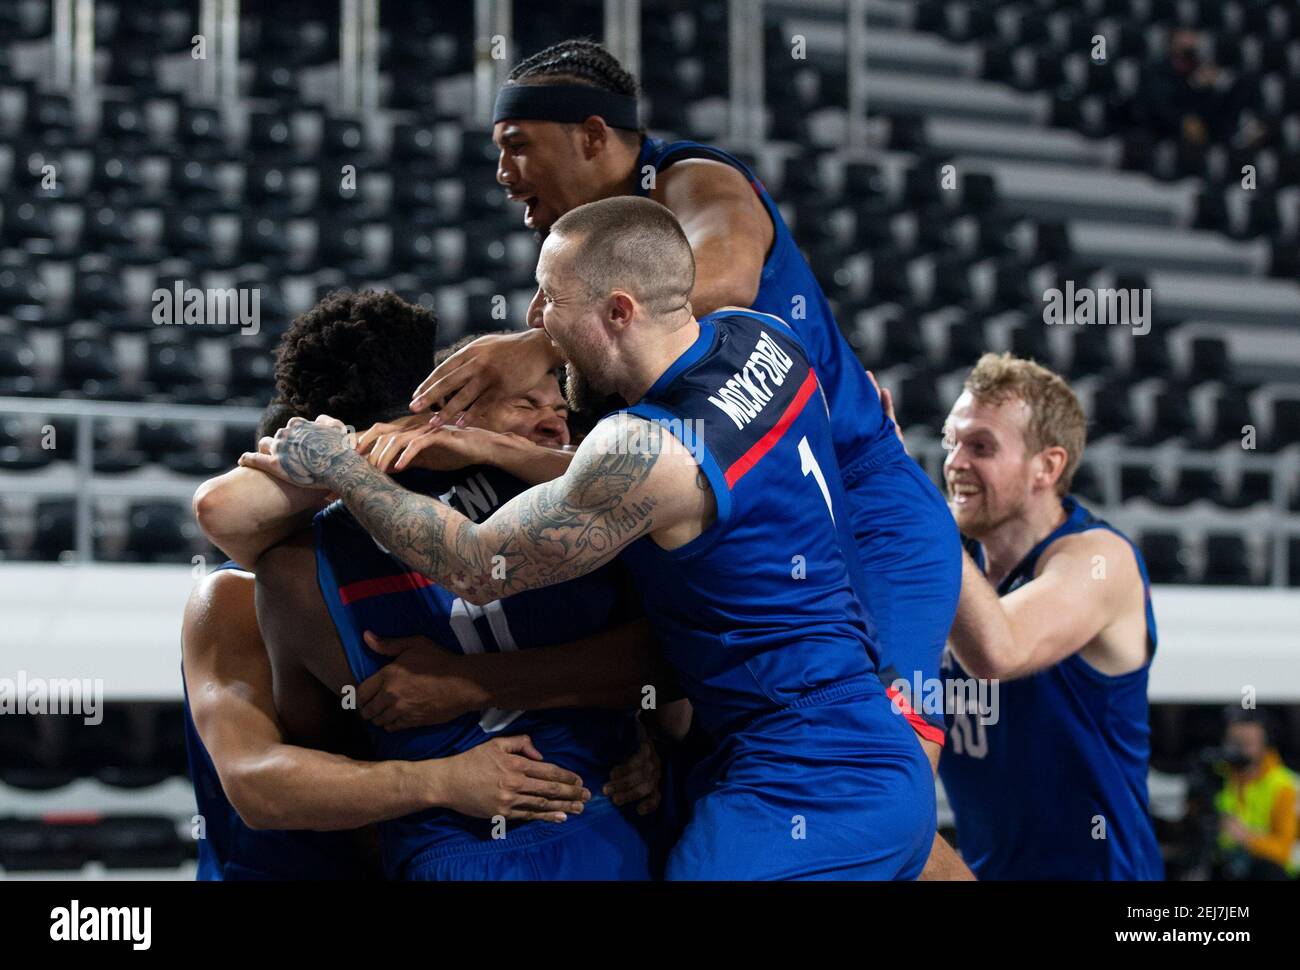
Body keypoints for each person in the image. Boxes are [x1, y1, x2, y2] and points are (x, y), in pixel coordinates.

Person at [243, 196, 937, 880]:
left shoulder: (644, 450)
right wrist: (492, 447)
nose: (534, 320)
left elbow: (477, 565)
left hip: (808, 766)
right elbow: (653, 484)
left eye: (550, 298)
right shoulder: (761, 336)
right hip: (850, 730)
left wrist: (343, 471)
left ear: (619, 311)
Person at [407, 40, 961, 765]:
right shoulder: (590, 261)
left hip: (854, 496)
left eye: (517, 145)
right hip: (755, 507)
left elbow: (725, 278)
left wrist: (541, 343)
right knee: (731, 760)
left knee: (882, 752)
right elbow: (628, 466)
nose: (503, 173)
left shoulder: (694, 179)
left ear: (592, 136)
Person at [194, 290, 659, 880]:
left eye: (560, 408)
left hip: (550, 829)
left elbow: (662, 666)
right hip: (447, 841)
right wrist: (440, 780)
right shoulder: (285, 567)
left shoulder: (563, 502)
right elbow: (277, 776)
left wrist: (653, 738)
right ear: (449, 412)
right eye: (525, 403)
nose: (553, 420)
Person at [934, 352, 1164, 880]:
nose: (955, 462)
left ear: (1048, 466)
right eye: (951, 441)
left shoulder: (1100, 560)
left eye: (981, 447)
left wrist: (915, 512)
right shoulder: (955, 566)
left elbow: (999, 649)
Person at [1213, 708, 1297, 880]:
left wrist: (1247, 838)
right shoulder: (1215, 774)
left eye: (1246, 743)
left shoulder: (1283, 786)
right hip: (1221, 864)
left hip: (1267, 869)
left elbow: (1284, 850)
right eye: (1233, 742)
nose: (1238, 750)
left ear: (1265, 746)